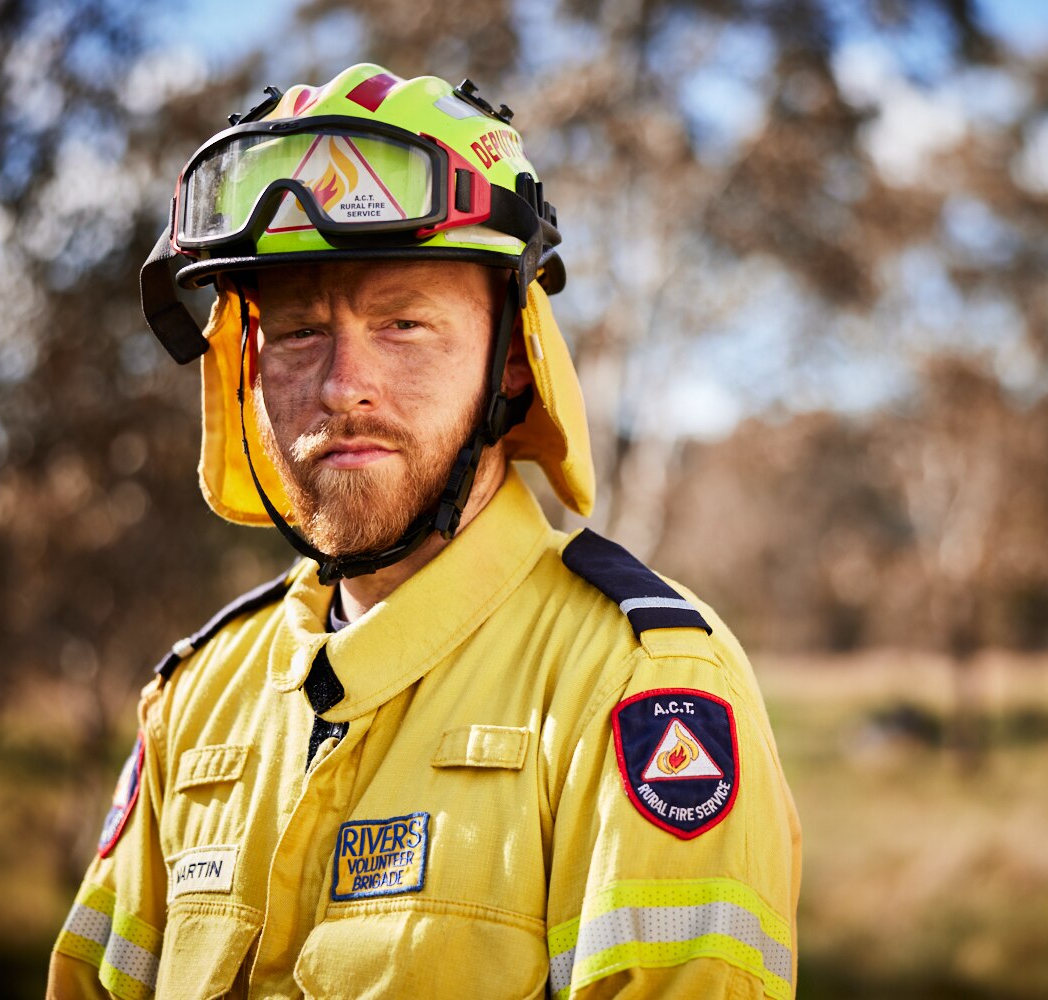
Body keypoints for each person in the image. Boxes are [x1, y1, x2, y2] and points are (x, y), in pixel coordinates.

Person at [47, 64, 801, 999]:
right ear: (241, 370)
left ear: (514, 364)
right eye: (293, 333)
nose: (339, 384)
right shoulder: (195, 697)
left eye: (403, 324)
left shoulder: (642, 689)